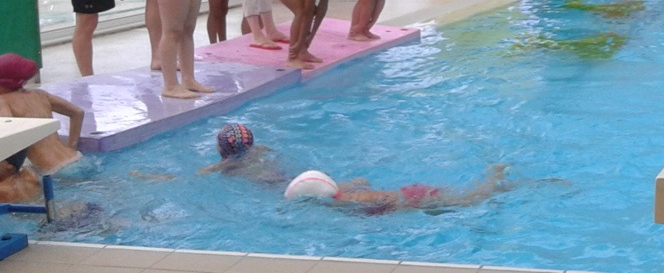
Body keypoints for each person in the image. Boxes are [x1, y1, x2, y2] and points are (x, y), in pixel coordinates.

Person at [0, 53, 84, 175]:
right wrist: (72, 146)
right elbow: (77, 113)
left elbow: (10, 134)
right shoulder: (40, 94)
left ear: (3, 82)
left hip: (51, 168)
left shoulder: (2, 101)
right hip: (76, 157)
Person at [323, 164, 513, 212]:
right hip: (410, 194)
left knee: (473, 200)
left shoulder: (343, 201)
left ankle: (496, 176)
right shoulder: (340, 190)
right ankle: (496, 180)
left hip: (414, 199)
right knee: (470, 198)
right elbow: (361, 180)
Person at [197, 123, 289, 185]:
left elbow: (201, 173)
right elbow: (274, 153)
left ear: (222, 148)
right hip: (276, 173)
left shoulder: (225, 165)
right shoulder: (260, 149)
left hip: (263, 182)